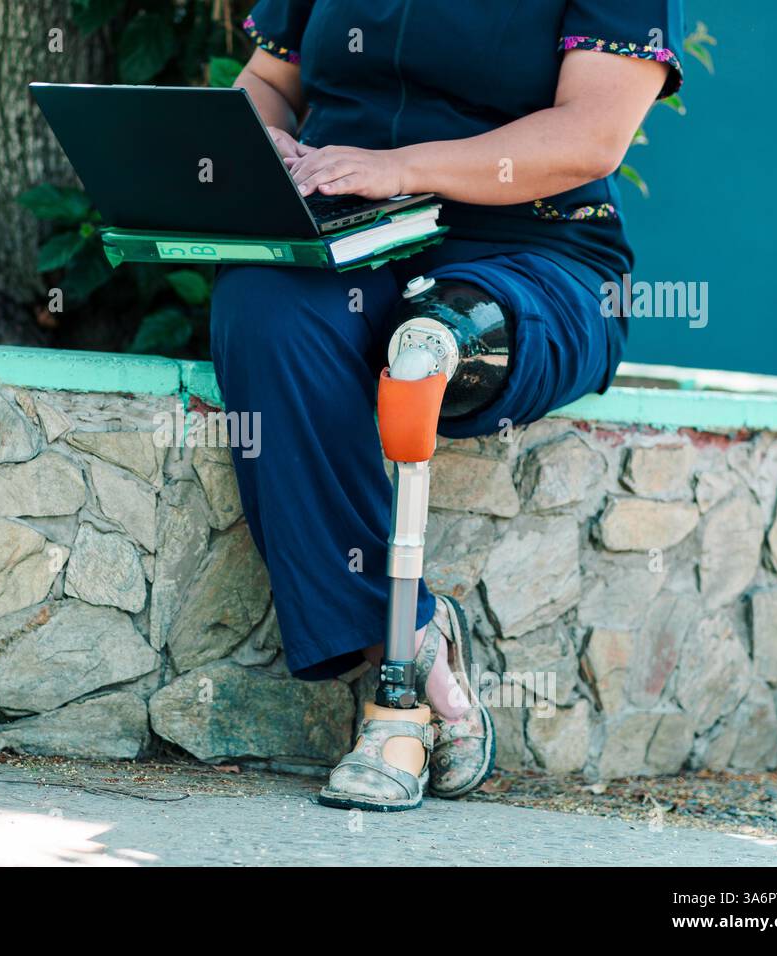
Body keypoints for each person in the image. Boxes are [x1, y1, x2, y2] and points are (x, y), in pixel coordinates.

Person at [212, 0, 684, 809]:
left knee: (429, 345)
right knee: (261, 311)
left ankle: (397, 708)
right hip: (348, 231)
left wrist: (404, 166)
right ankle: (410, 643)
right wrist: (260, 146)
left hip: (533, 251)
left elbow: (590, 135)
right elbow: (268, 82)